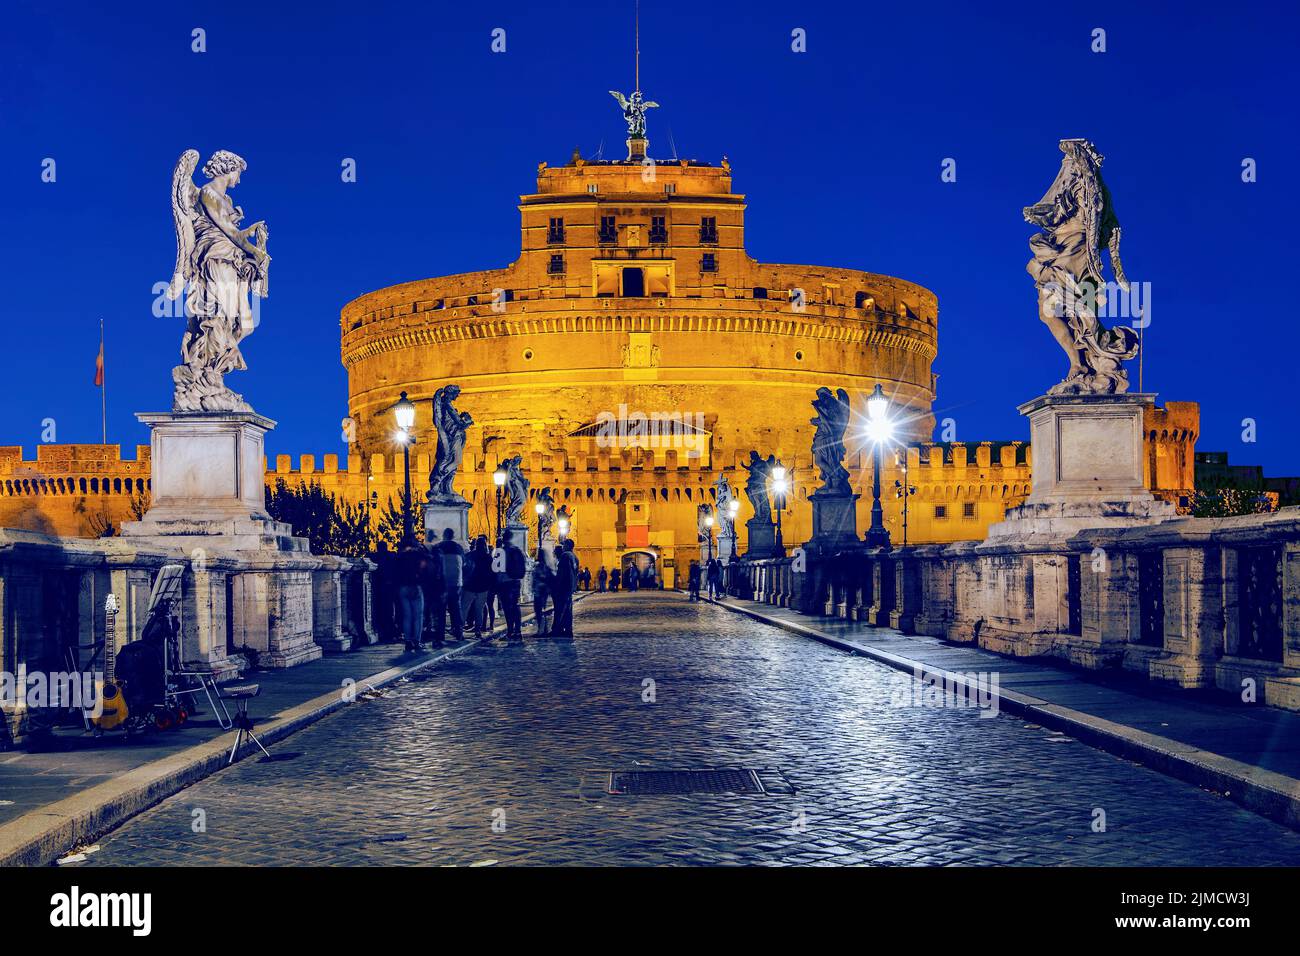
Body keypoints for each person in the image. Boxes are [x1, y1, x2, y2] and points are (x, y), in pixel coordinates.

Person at [432, 528, 465, 643]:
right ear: (452, 536)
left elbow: (434, 565)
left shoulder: (438, 547)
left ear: (444, 535)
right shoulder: (459, 548)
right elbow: (465, 564)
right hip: (456, 583)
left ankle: (439, 637)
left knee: (440, 611)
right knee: (456, 609)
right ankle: (459, 632)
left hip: (442, 583)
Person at [395, 539, 428, 651]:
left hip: (403, 587)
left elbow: (396, 573)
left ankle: (408, 641)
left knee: (407, 616)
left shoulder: (399, 557)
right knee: (418, 616)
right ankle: (417, 641)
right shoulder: (418, 555)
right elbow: (424, 569)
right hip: (416, 586)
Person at [461, 536, 493, 640]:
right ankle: (478, 631)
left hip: (470, 585)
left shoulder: (469, 555)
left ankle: (459, 630)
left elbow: (464, 569)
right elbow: (491, 573)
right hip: (482, 587)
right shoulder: (488, 557)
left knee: (464, 608)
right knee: (479, 610)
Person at [370, 541, 400, 643]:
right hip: (392, 587)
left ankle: (385, 633)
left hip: (379, 587)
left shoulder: (375, 557)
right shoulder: (392, 555)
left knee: (381, 611)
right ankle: (392, 633)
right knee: (390, 611)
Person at [500, 537, 527, 642]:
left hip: (505, 582)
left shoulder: (504, 551)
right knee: (515, 606)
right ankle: (517, 631)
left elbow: (497, 568)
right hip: (516, 581)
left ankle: (510, 631)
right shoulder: (516, 550)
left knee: (507, 608)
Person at [419, 538, 446, 648]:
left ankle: (424, 638)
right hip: (437, 590)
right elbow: (442, 575)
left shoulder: (425, 559)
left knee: (425, 615)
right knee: (437, 616)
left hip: (427, 590)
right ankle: (437, 639)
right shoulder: (439, 558)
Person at [552, 539, 579, 638]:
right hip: (570, 587)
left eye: (564, 545)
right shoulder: (574, 557)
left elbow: (563, 573)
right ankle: (568, 630)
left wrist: (557, 584)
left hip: (563, 587)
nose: (563, 547)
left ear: (568, 545)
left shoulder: (565, 556)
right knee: (568, 609)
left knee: (560, 609)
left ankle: (557, 630)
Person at [533, 548, 554, 636]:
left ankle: (540, 631)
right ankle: (544, 629)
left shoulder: (540, 566)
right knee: (542, 610)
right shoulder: (546, 566)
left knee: (539, 611)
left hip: (539, 591)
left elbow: (539, 578)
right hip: (543, 591)